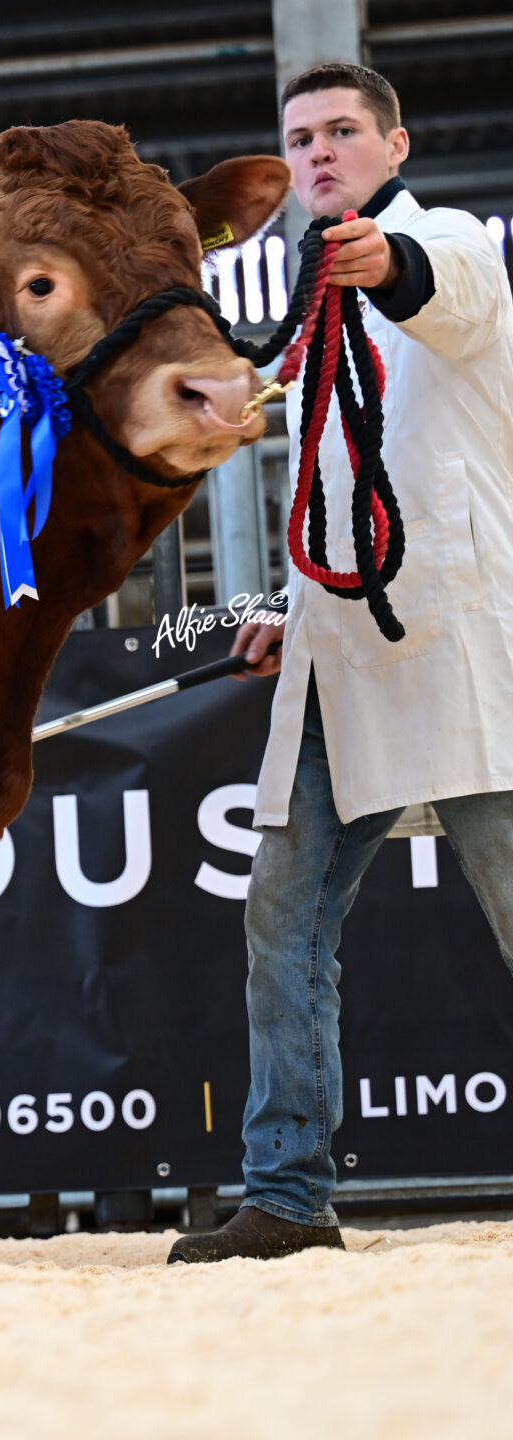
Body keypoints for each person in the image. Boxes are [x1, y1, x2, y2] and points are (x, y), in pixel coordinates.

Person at [170, 62, 513, 1263]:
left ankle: (286, 1181)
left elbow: (441, 294)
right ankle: (285, 1191)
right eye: (298, 139)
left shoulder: (452, 244)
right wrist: (287, 604)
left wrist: (384, 264)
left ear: (393, 145)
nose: (316, 154)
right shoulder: (313, 306)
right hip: (338, 649)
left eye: (338, 133)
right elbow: (337, 483)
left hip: (463, 641)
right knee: (281, 910)